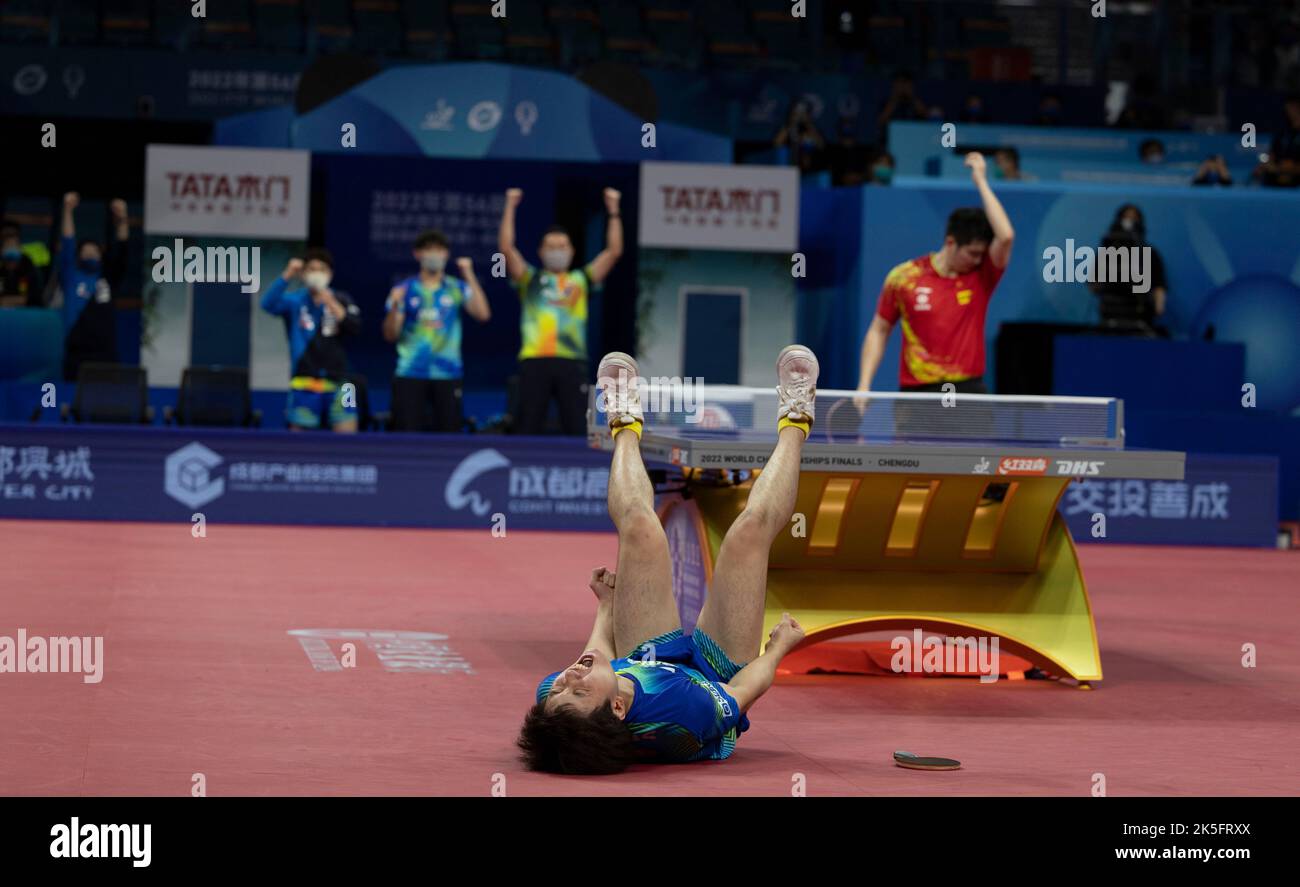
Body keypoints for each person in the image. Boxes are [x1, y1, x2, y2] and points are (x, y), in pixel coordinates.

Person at [517, 345, 819, 773]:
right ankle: (798, 415)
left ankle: (623, 419)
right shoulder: (683, 715)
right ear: (620, 708)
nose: (569, 679)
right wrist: (777, 651)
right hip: (714, 678)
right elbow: (742, 691)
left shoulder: (554, 698)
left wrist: (606, 608)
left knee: (640, 528)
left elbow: (597, 657)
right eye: (579, 692)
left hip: (645, 659)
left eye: (560, 691)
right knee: (748, 535)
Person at [857, 151, 1014, 396]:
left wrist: (981, 182)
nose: (978, 260)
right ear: (951, 243)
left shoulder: (981, 276)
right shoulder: (904, 277)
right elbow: (879, 329)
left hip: (968, 392)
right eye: (972, 253)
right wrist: (864, 385)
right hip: (917, 394)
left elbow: (1006, 236)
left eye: (981, 254)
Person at [498, 185, 623, 435]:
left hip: (572, 362)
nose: (557, 251)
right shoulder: (530, 279)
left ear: (572, 251)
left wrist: (614, 211)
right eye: (551, 246)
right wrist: (510, 206)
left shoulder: (581, 280)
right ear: (541, 252)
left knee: (577, 426)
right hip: (534, 361)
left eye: (562, 246)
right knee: (528, 426)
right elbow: (506, 250)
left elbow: (614, 252)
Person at [382, 229, 490, 432]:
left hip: (447, 375)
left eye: (439, 250)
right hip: (410, 373)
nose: (434, 255)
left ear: (446, 255)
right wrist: (395, 307)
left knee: (449, 437)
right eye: (428, 250)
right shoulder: (403, 290)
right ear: (417, 254)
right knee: (406, 436)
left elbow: (483, 314)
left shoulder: (456, 287)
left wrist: (468, 274)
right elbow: (390, 335)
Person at [261, 249, 361, 432]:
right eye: (311, 269)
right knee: (300, 446)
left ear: (330, 274)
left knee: (348, 441)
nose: (316, 274)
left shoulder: (342, 299)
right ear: (304, 274)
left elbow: (355, 327)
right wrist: (288, 274)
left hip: (342, 383)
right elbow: (267, 304)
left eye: (321, 269)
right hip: (304, 382)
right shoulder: (295, 301)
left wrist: (331, 302)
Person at [58, 192, 129, 381]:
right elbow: (67, 242)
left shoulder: (108, 278)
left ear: (101, 255)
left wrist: (122, 219)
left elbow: (122, 250)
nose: (90, 253)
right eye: (85, 251)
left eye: (94, 250)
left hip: (105, 355)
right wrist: (67, 210)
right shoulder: (71, 275)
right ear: (78, 256)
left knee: (105, 406)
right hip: (77, 354)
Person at [1100, 204, 1168, 328]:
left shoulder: (1150, 253)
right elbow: (1094, 285)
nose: (1130, 222)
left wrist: (1159, 305)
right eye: (1126, 217)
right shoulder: (1107, 253)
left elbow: (1159, 285)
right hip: (1111, 315)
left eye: (1134, 218)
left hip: (1140, 315)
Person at [773, 100, 826, 173]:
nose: (800, 114)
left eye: (803, 112)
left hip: (811, 171)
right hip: (790, 169)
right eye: (797, 111)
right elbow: (777, 144)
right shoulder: (786, 128)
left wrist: (808, 122)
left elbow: (821, 145)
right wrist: (792, 121)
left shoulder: (812, 129)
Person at [0, 219, 42, 308]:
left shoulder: (27, 265)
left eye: (14, 247)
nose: (11, 251)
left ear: (19, 249)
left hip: (26, 313)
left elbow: (27, 298)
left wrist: (6, 301)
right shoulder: (2, 267)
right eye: (7, 247)